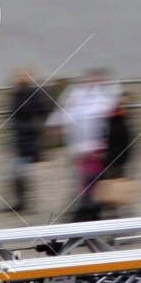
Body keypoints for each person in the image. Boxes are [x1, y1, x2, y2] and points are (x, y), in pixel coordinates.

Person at [47, 69, 120, 222]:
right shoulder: (76, 96)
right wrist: (54, 126)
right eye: (90, 80)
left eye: (96, 80)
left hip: (99, 150)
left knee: (93, 182)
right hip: (82, 150)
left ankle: (90, 214)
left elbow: (111, 126)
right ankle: (87, 213)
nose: (92, 83)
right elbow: (63, 113)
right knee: (86, 182)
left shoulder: (107, 98)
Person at [1, 69, 52, 214]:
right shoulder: (15, 93)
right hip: (17, 137)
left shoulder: (33, 94)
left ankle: (24, 202)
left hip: (27, 138)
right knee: (15, 172)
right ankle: (20, 202)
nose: (18, 79)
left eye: (21, 76)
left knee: (19, 172)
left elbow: (42, 112)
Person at [93, 91, 139, 219]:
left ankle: (119, 215)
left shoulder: (126, 120)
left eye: (126, 103)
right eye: (122, 102)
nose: (124, 105)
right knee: (110, 191)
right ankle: (111, 215)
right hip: (109, 160)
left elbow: (130, 143)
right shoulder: (110, 119)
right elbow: (103, 138)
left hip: (120, 161)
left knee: (118, 191)